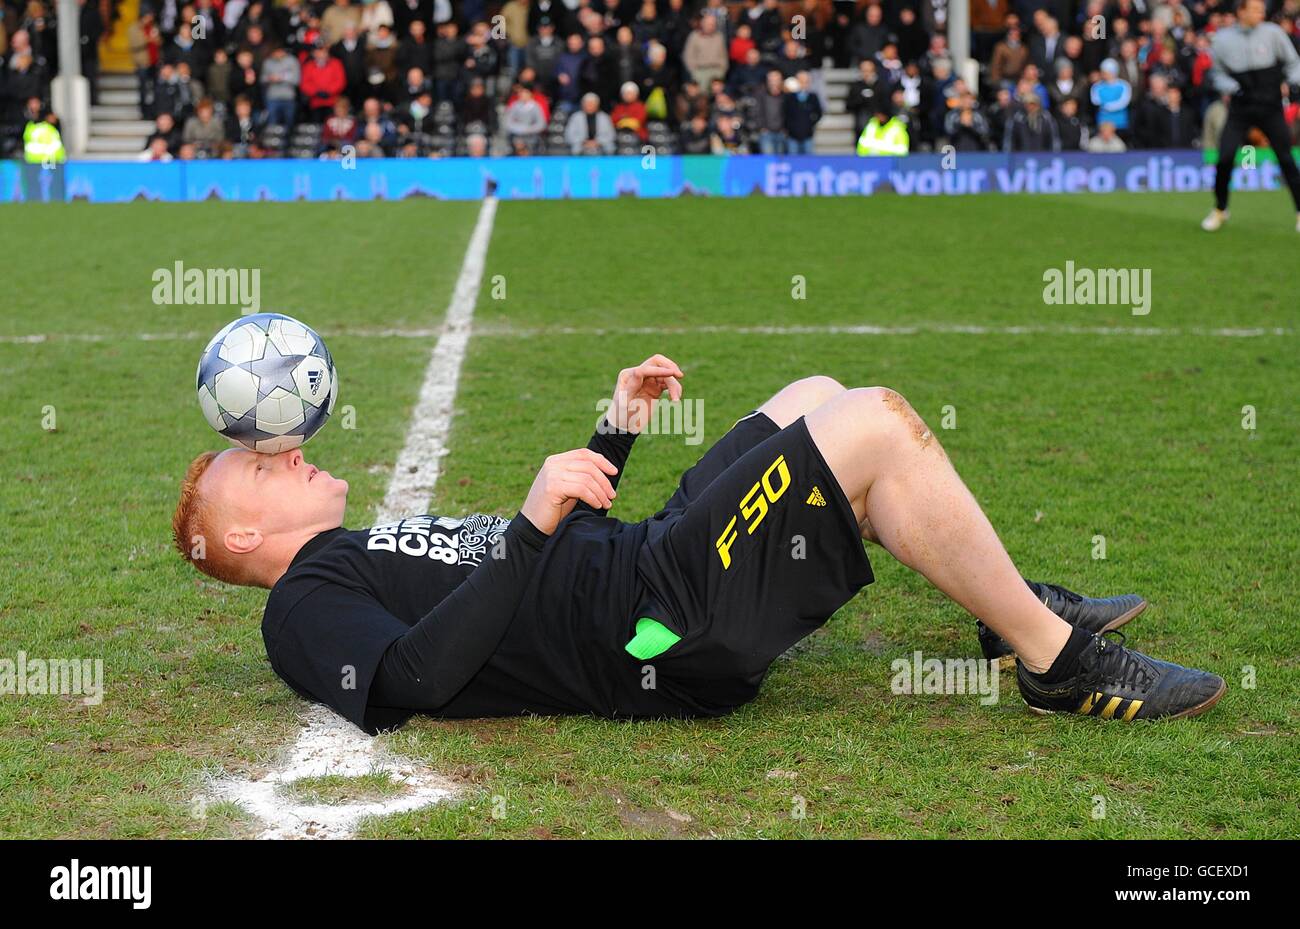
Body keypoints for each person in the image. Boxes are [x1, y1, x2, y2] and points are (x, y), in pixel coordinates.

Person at [173, 359, 1226, 733]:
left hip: (646, 566)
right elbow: (412, 680)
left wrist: (610, 436)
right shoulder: (301, 601)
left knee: (813, 396)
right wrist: (532, 525)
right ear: (245, 535)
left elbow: (543, 576)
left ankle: (1006, 615)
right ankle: (1055, 659)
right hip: (657, 633)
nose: (291, 446)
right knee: (868, 422)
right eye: (261, 465)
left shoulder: (360, 546)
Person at [1201, 0, 1300, 232]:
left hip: (1271, 107)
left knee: (1286, 159)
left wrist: (1291, 83)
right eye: (1255, 9)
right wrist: (1234, 88)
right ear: (1241, 12)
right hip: (1241, 108)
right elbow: (1217, 74)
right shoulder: (1223, 40)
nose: (1261, 12)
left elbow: (1294, 63)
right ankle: (1220, 209)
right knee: (1224, 157)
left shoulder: (1274, 33)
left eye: (1261, 9)